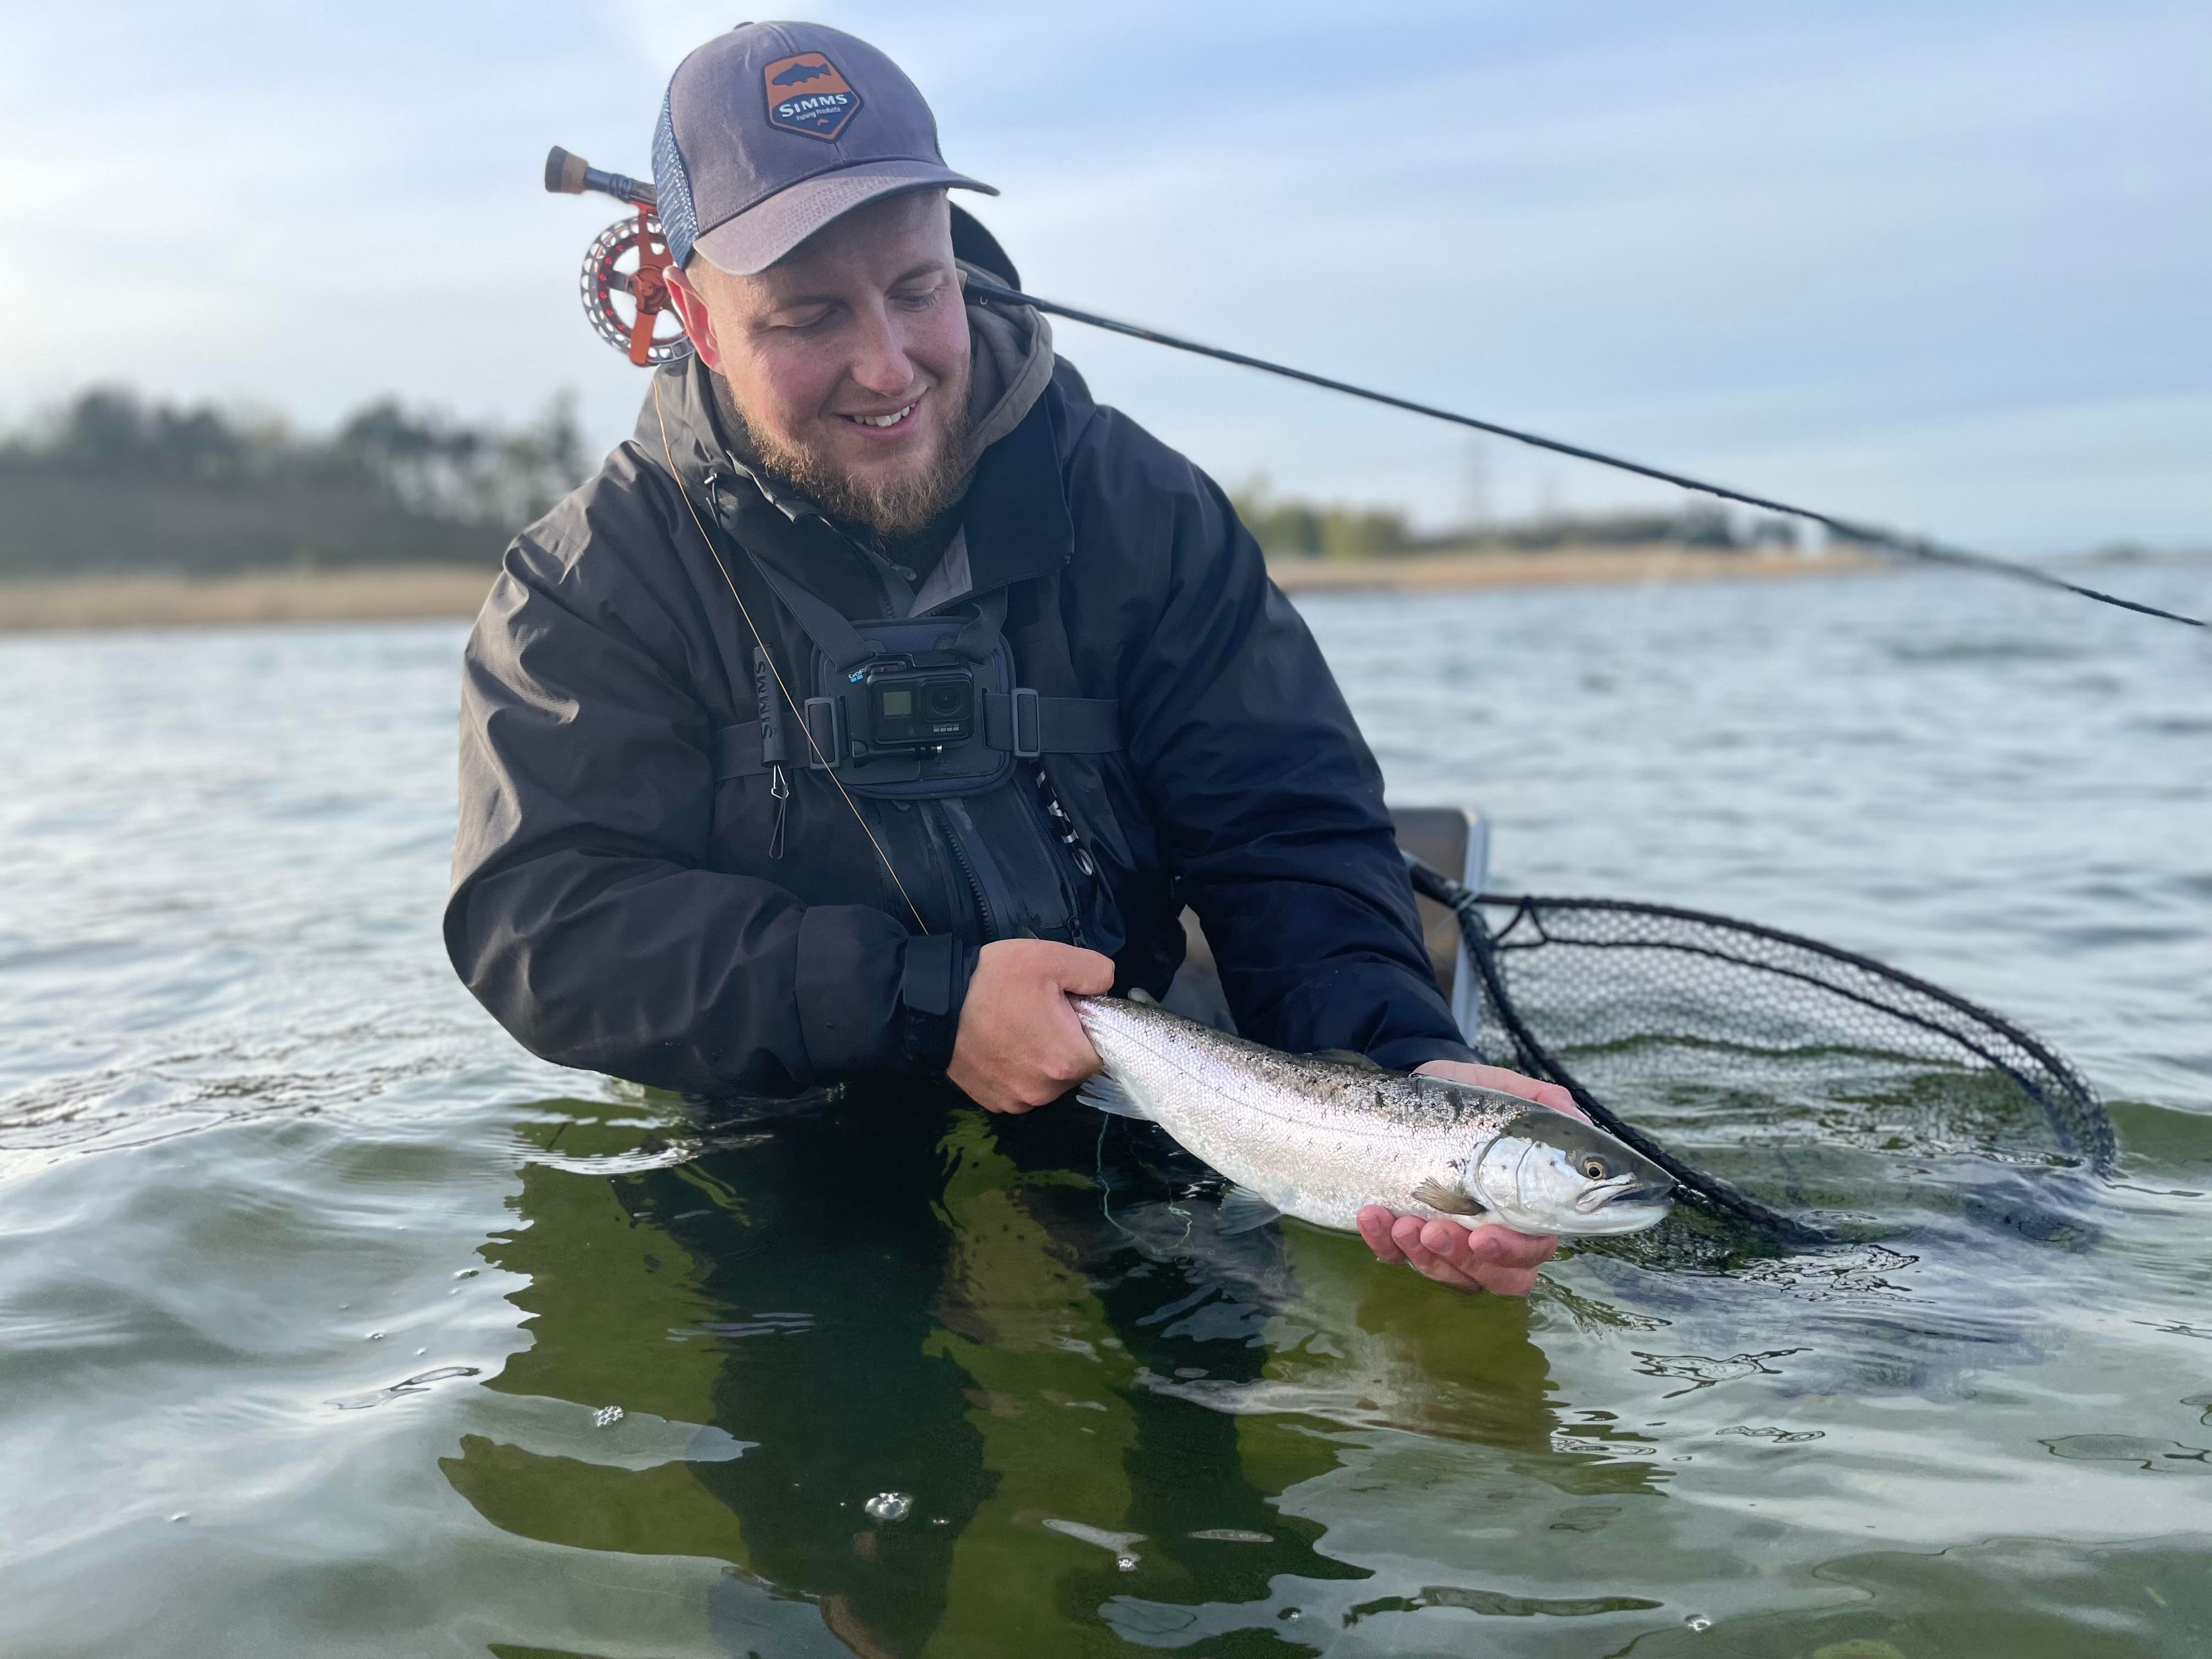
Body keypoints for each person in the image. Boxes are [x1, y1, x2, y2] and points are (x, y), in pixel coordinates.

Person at [445, 21, 1573, 1296]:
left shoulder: (1139, 508)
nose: (888, 366)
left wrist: (1407, 1076)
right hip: (793, 1143)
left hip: (1147, 1108)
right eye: (811, 316)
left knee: (1222, 1482)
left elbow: (1287, 835)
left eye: (918, 291)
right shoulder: (592, 583)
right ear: (698, 323)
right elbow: (544, 923)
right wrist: (923, 1005)